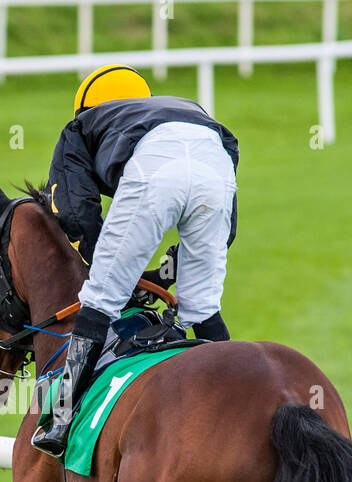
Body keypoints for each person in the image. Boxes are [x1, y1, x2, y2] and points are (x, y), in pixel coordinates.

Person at [31, 64, 240, 458]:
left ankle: (59, 420)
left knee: (101, 298)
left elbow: (76, 211)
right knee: (201, 306)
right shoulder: (185, 109)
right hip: (217, 159)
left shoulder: (80, 127)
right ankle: (236, 399)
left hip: (155, 170)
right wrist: (176, 267)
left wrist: (105, 270)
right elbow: (223, 225)